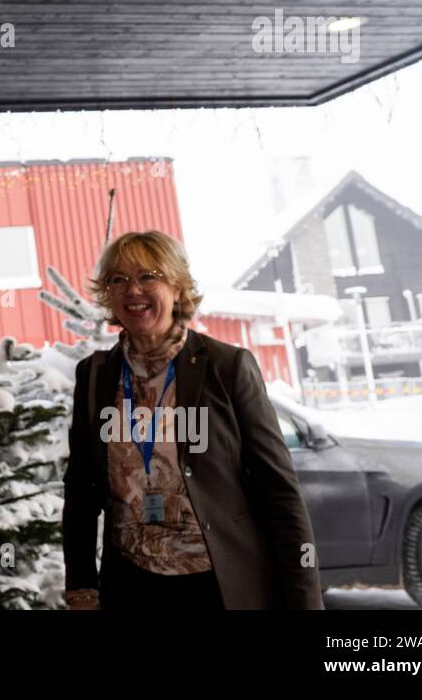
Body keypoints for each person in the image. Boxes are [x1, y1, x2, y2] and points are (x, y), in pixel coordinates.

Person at [63, 230, 323, 610]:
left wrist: (304, 600)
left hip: (219, 583)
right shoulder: (96, 375)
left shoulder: (226, 366)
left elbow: (279, 489)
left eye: (148, 276)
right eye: (118, 280)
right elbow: (81, 489)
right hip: (131, 585)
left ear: (177, 288)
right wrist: (82, 585)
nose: (132, 290)